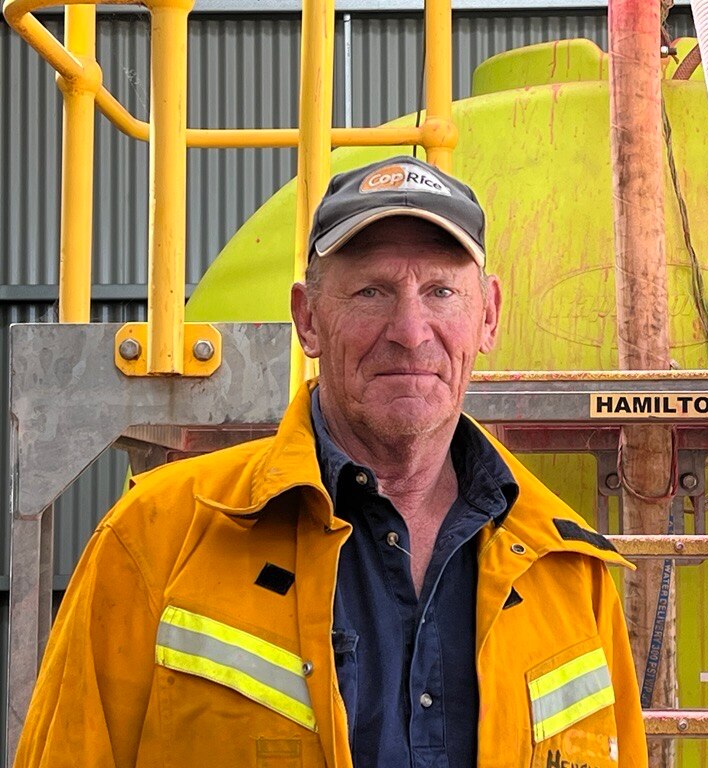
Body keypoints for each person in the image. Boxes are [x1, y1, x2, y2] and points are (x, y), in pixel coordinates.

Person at [15, 156, 647, 768]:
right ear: (308, 318)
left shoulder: (571, 574)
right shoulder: (156, 539)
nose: (409, 329)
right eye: (370, 291)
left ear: (488, 315)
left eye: (440, 290)